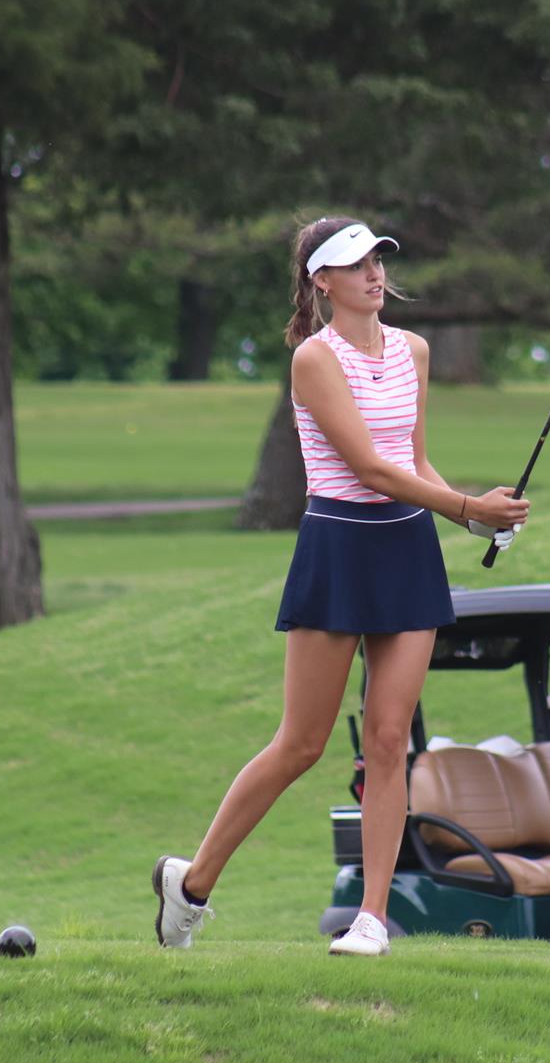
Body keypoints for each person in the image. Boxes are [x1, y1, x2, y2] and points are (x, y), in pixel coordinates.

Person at [153, 216, 529, 957]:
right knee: (302, 742)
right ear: (322, 281)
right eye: (356, 264)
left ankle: (372, 918)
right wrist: (466, 507)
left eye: (379, 261)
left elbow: (412, 460)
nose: (374, 274)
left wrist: (476, 520)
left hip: (407, 549)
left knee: (390, 739)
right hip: (339, 546)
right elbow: (367, 468)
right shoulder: (314, 361)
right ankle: (191, 885)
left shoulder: (414, 351)